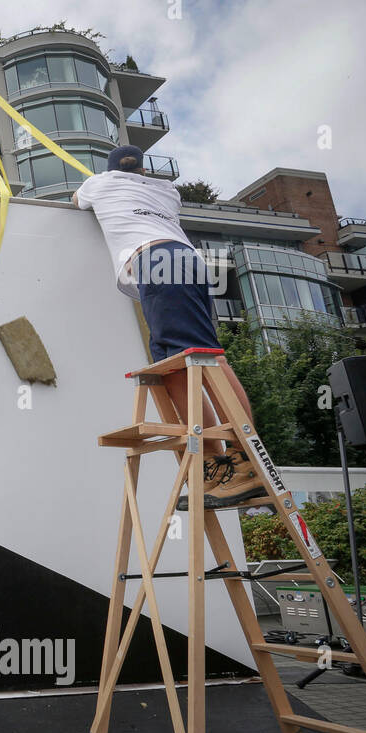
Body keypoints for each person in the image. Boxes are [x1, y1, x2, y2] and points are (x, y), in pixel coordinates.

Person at [74, 145, 264, 510]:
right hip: (182, 260)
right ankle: (214, 466)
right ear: (142, 171)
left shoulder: (99, 184)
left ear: (112, 169)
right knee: (175, 368)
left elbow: (76, 199)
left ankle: (245, 457)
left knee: (203, 358)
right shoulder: (165, 190)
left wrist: (103, 183)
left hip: (157, 260)